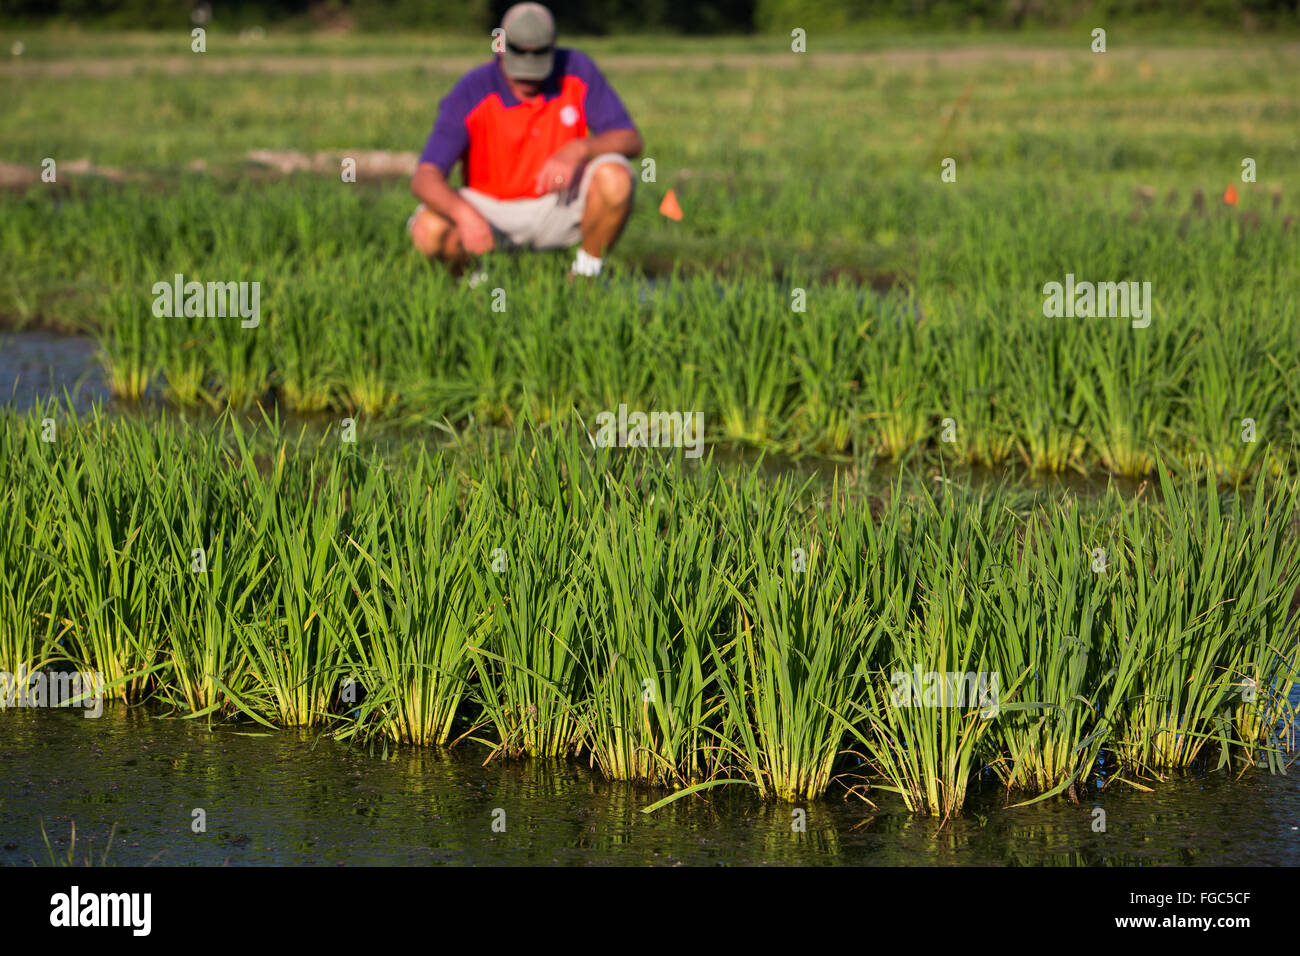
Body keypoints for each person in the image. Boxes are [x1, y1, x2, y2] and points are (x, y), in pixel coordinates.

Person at [409, 2, 643, 279]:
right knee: (429, 229)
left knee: (616, 177)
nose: (528, 78)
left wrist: (579, 148)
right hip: (489, 210)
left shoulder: (577, 68)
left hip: (558, 205)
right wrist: (463, 213)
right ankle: (477, 287)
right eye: (519, 67)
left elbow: (631, 140)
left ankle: (583, 279)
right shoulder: (471, 90)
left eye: (537, 66)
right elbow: (425, 177)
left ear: (553, 47)